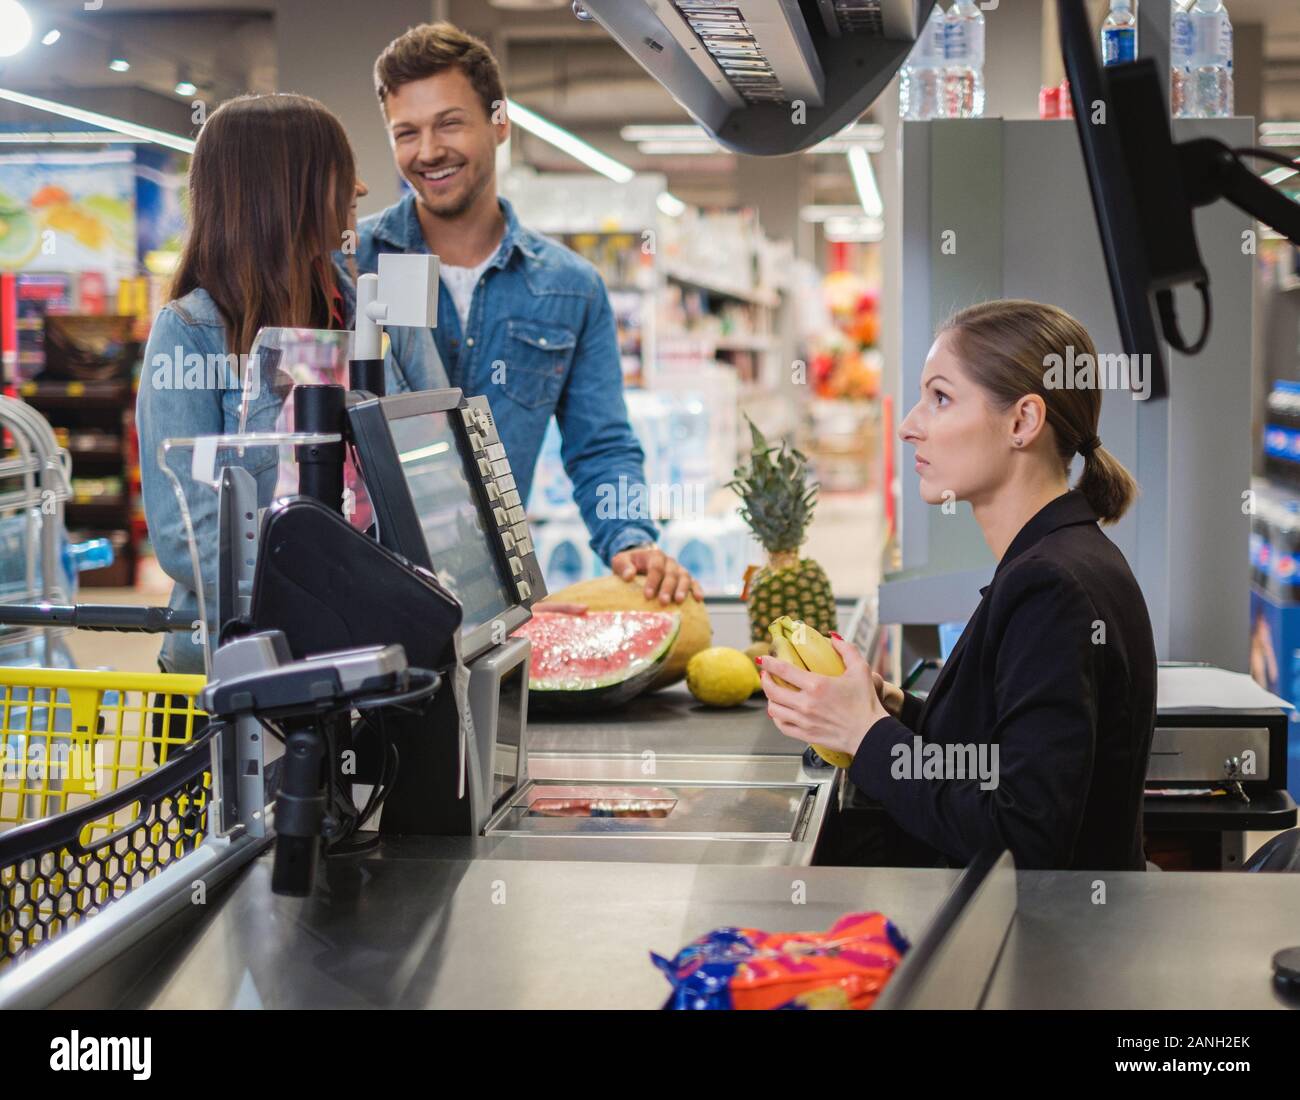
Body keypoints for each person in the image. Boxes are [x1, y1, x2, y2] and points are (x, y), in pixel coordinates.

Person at [761, 300, 1157, 871]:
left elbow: (1024, 835)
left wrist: (866, 734)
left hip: (1048, 951)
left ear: (1023, 421)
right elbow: (1006, 754)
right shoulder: (1061, 558)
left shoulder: (1053, 588)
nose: (908, 425)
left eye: (940, 398)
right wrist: (894, 709)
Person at [355, 22, 700, 606]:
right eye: (405, 132)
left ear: (500, 121)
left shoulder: (570, 288)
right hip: (363, 582)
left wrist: (629, 536)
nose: (428, 151)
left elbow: (601, 446)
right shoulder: (352, 264)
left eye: (449, 123)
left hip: (494, 592)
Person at [138, 93, 446, 675]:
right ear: (283, 189)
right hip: (236, 669)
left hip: (379, 652)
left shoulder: (377, 310)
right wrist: (336, 594)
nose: (359, 189)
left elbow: (436, 465)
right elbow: (188, 537)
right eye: (338, 171)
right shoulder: (190, 333)